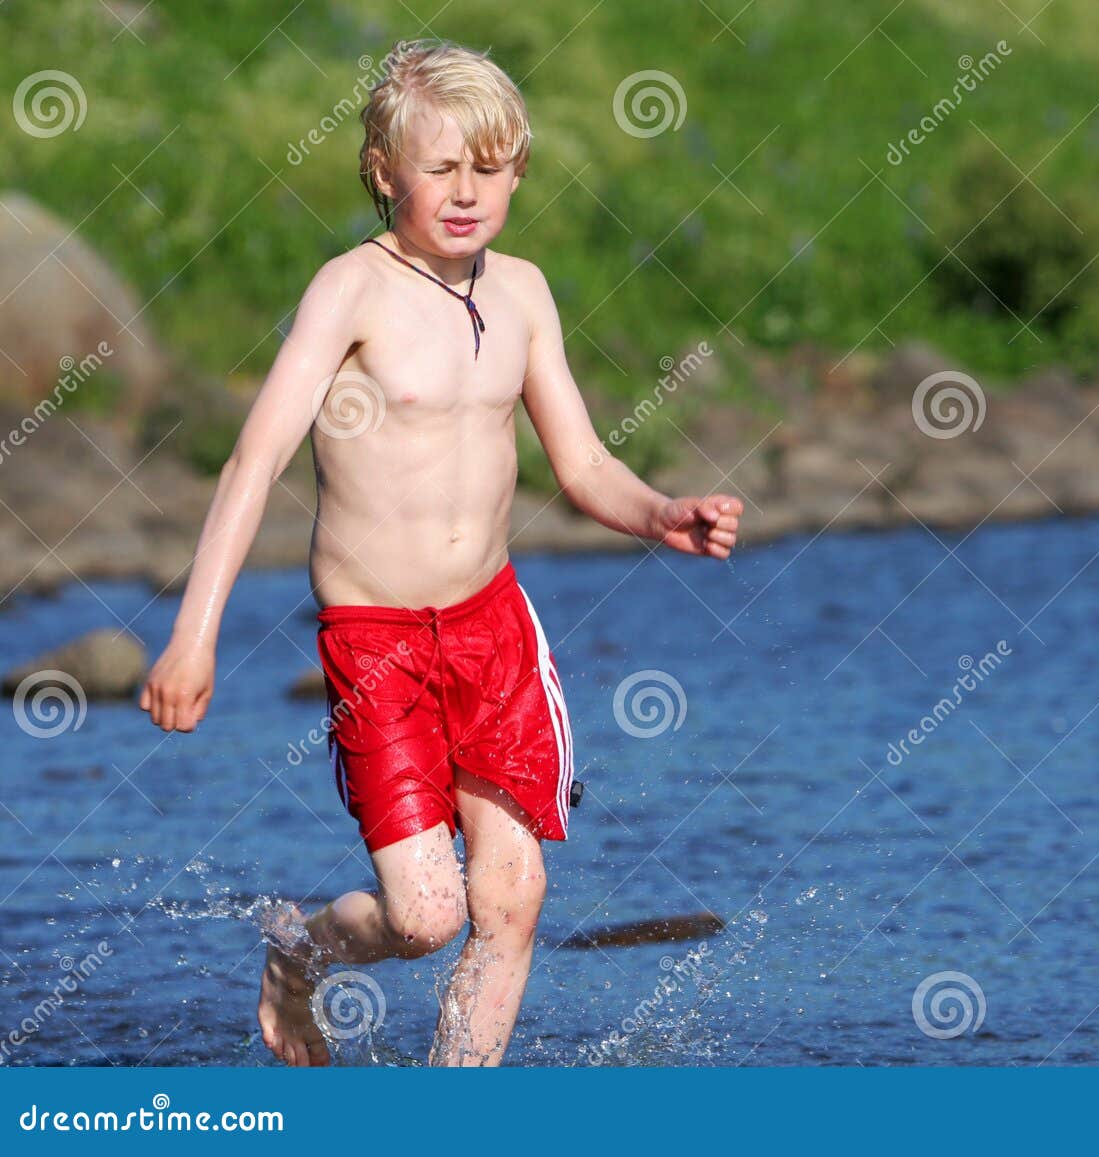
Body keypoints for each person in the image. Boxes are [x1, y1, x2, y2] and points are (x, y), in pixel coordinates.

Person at [137, 38, 742, 1066]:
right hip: (376, 640)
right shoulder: (351, 293)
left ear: (517, 170)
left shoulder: (525, 295)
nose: (465, 193)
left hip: (493, 630)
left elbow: (584, 462)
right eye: (439, 168)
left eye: (489, 167)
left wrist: (657, 514)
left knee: (510, 899)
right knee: (423, 914)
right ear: (383, 172)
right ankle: (300, 949)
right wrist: (192, 639)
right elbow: (253, 462)